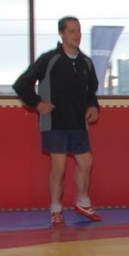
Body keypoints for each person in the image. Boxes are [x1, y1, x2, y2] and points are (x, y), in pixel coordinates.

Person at [13, 16, 102, 227]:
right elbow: (21, 84)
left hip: (78, 122)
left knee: (86, 162)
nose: (76, 35)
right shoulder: (49, 59)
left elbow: (91, 91)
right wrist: (37, 103)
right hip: (54, 122)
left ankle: (83, 202)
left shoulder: (86, 62)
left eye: (79, 31)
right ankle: (56, 209)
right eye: (71, 31)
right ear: (62, 34)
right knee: (59, 166)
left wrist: (93, 107)